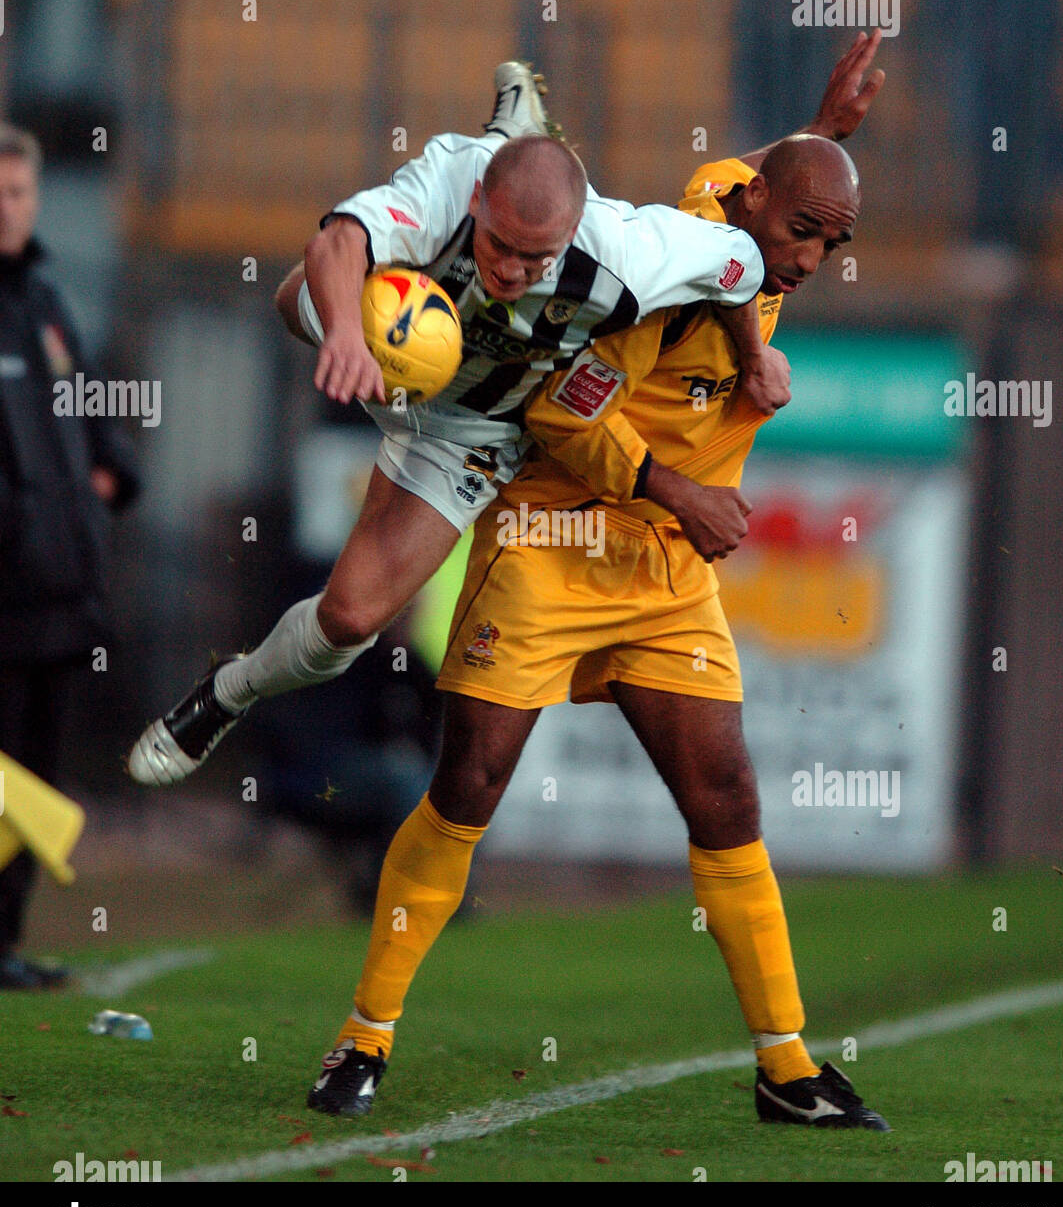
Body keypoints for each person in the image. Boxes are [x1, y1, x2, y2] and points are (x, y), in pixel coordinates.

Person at [305, 44, 891, 1130]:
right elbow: (554, 411)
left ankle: (786, 1064)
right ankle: (364, 1037)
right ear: (754, 217)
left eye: (831, 241)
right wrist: (679, 486)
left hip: (666, 577)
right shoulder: (649, 287)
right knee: (470, 784)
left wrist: (826, 125)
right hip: (547, 542)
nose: (809, 259)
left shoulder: (748, 207)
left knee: (725, 796)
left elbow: (776, 185)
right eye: (802, 235)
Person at [128, 63, 790, 786]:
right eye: (498, 243)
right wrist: (346, 334)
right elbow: (337, 244)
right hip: (386, 347)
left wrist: (754, 356)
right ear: (480, 201)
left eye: (534, 257)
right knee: (298, 299)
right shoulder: (451, 181)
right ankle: (511, 139)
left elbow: (743, 264)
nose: (509, 269)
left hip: (471, 430)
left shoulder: (630, 254)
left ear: (573, 233)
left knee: (349, 625)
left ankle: (231, 690)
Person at [0, 124, 140, 989]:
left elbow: (89, 410)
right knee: (6, 778)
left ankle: (5, 942)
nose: (8, 209)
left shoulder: (45, 299)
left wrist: (112, 475)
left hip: (60, 589)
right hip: (6, 590)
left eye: (18, 192)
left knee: (35, 783)